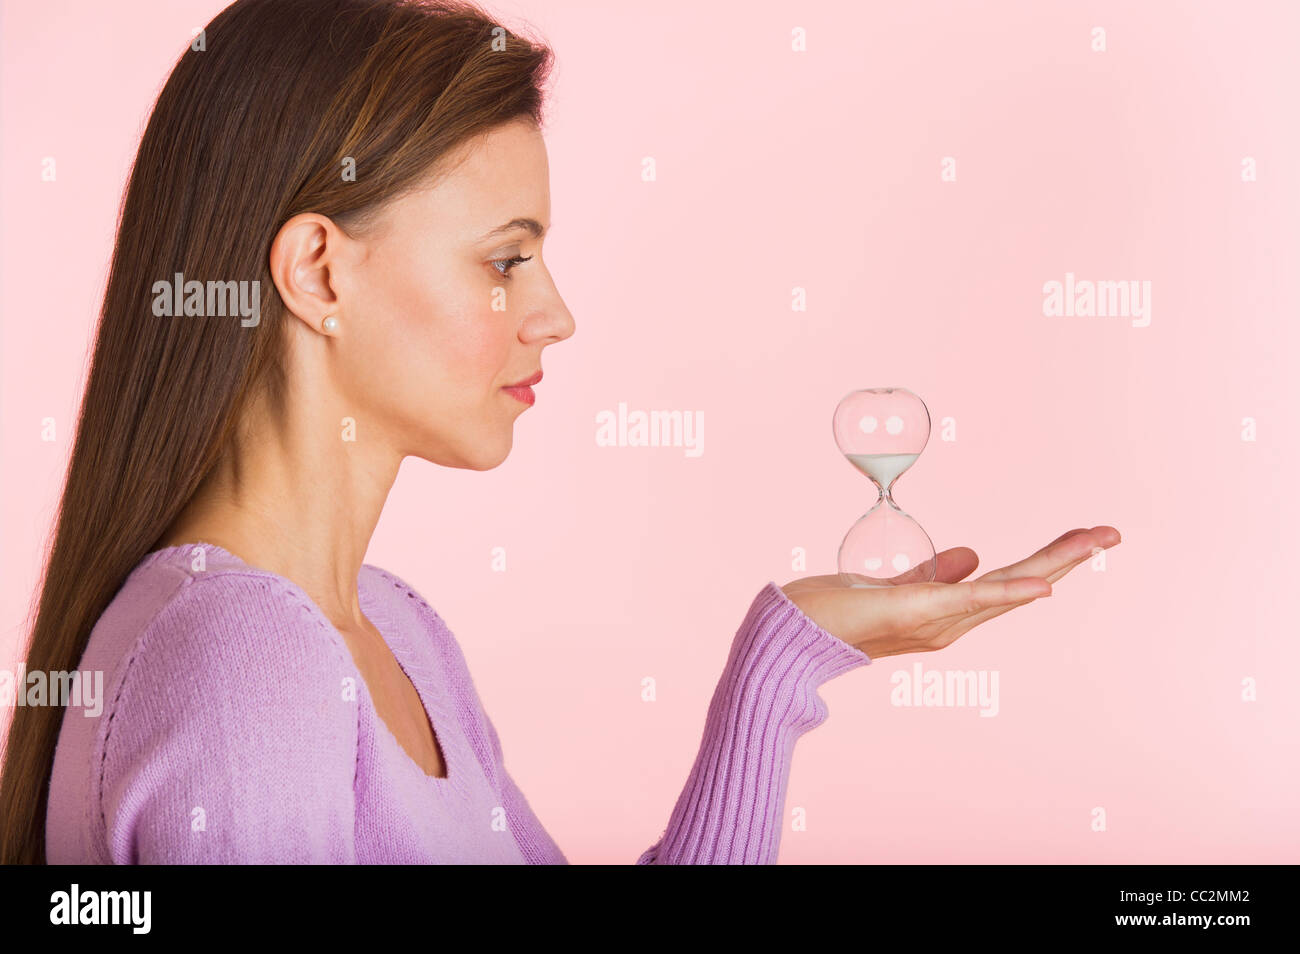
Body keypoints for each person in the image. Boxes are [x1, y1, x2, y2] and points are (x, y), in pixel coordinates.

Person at [0, 0, 1120, 864]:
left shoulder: (396, 633)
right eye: (504, 259)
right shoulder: (247, 665)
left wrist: (779, 662)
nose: (556, 314)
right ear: (317, 271)